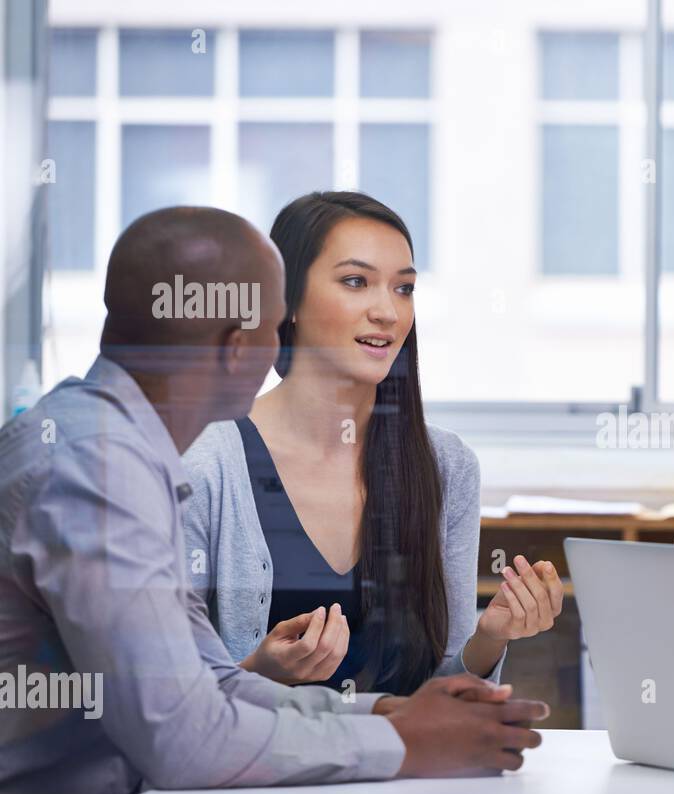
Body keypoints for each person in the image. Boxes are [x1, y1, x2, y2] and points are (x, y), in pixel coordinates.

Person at [0, 207, 547, 794]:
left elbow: (209, 684)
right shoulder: (98, 472)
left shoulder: (115, 449)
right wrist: (403, 745)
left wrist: (387, 717)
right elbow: (184, 740)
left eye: (402, 287)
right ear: (240, 346)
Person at [182, 191, 562, 693]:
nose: (387, 312)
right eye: (356, 282)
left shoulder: (446, 466)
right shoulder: (203, 464)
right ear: (286, 300)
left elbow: (441, 689)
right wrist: (258, 675)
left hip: (400, 767)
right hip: (262, 768)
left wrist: (489, 639)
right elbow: (165, 701)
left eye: (404, 289)